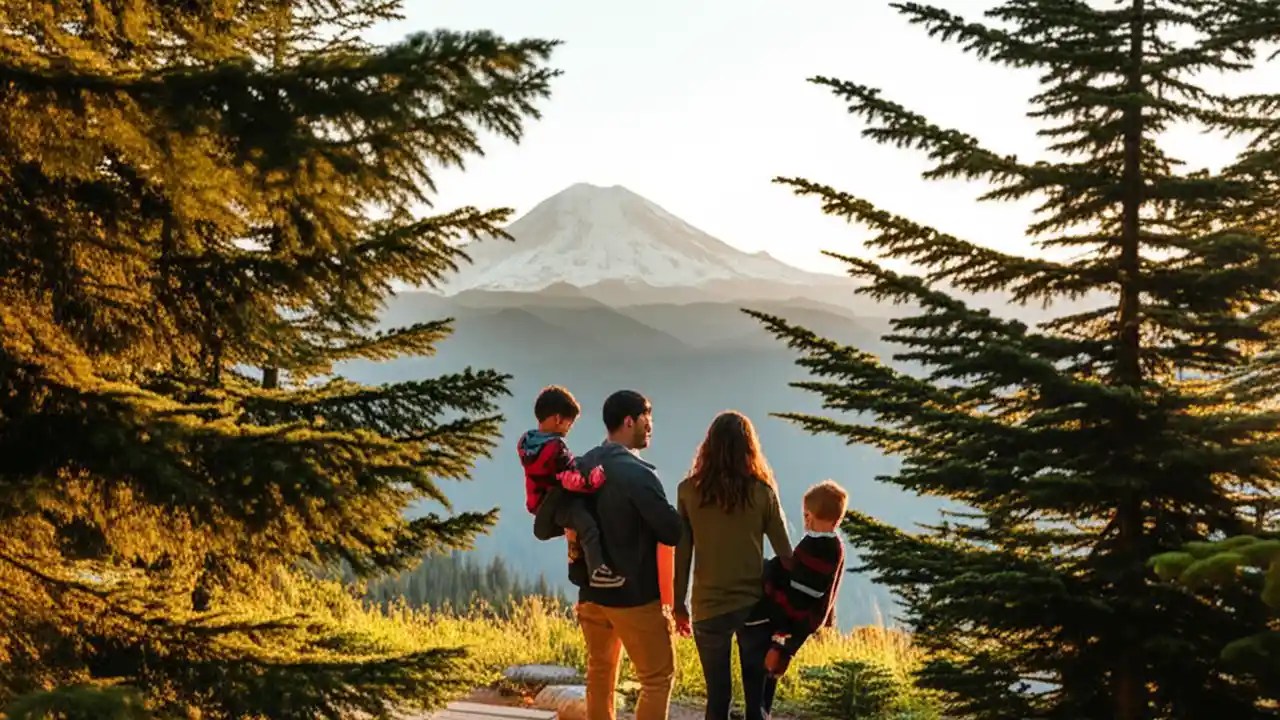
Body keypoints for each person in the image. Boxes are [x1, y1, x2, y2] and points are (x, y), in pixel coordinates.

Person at [534, 390, 681, 720]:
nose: (651, 426)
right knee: (657, 679)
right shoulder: (639, 474)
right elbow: (672, 531)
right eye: (647, 418)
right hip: (635, 598)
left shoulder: (580, 465)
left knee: (600, 674)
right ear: (629, 421)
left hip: (591, 595)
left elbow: (545, 526)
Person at [672, 411, 793, 720]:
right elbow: (786, 556)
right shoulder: (763, 493)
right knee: (756, 701)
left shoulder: (688, 491)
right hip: (754, 607)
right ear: (749, 448)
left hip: (708, 606)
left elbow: (682, 554)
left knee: (717, 698)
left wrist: (679, 605)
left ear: (708, 447)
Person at [749, 480, 848, 717]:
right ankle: (761, 708)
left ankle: (761, 710)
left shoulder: (821, 547)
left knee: (771, 661)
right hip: (798, 617)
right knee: (771, 666)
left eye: (807, 515)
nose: (806, 520)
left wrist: (772, 579)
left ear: (814, 517)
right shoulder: (828, 543)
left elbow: (804, 589)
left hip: (794, 618)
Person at [518, 385, 624, 589]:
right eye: (570, 423)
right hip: (559, 500)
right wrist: (594, 480)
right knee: (588, 526)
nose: (569, 428)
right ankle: (598, 571)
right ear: (558, 419)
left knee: (574, 527)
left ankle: (576, 567)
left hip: (540, 503)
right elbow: (570, 477)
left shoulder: (527, 444)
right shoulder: (556, 448)